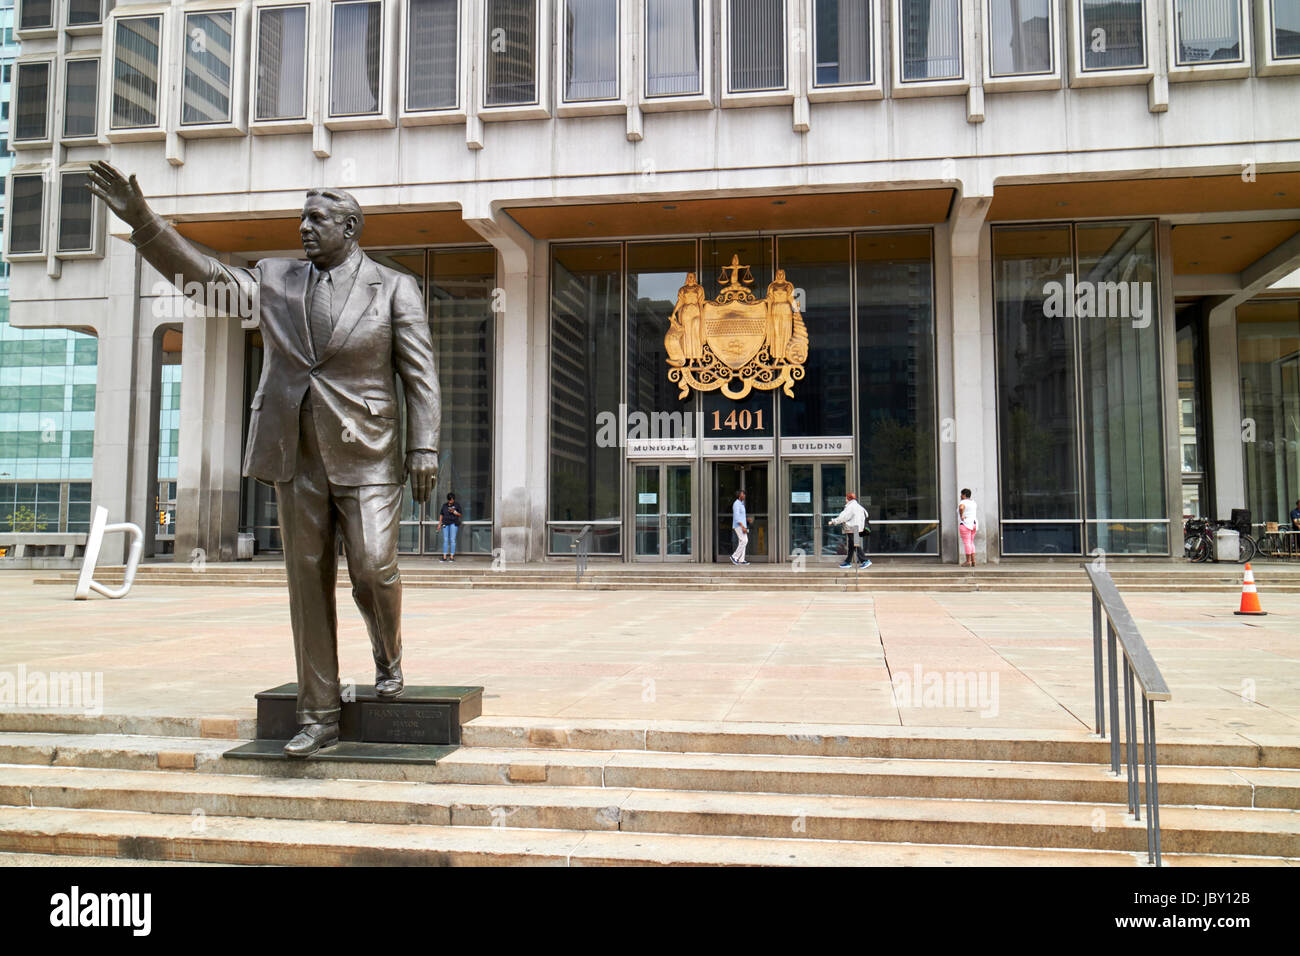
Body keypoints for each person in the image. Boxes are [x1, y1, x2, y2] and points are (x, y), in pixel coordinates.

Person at [87, 162, 441, 759]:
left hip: (370, 451)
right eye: (302, 217)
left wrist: (424, 444)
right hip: (293, 451)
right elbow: (207, 277)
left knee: (374, 569)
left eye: (318, 219)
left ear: (350, 228)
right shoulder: (275, 278)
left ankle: (388, 651)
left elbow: (419, 372)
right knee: (307, 585)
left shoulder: (395, 287)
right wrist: (144, 223)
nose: (303, 228)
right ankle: (319, 714)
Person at [828, 493, 871, 569]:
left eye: (846, 498)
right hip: (857, 528)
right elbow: (866, 514)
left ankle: (865, 560)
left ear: (849, 499)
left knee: (855, 544)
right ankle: (848, 562)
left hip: (852, 528)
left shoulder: (850, 507)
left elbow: (843, 517)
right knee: (852, 545)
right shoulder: (858, 506)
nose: (845, 500)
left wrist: (833, 521)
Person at [437, 493, 462, 562]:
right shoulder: (444, 505)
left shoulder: (457, 505)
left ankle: (451, 557)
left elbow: (460, 514)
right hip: (445, 523)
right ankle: (444, 557)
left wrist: (454, 512)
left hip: (453, 523)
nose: (451, 501)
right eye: (450, 500)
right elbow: (441, 514)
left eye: (452, 500)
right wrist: (439, 524)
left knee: (452, 539)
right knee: (445, 540)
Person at [730, 489, 751, 566]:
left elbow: (741, 516)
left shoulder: (741, 504)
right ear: (739, 495)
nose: (744, 495)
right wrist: (742, 526)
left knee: (743, 541)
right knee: (744, 541)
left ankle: (741, 560)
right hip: (738, 526)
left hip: (742, 525)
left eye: (744, 494)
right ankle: (734, 556)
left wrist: (746, 519)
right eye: (743, 494)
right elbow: (736, 517)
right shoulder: (736, 504)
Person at [959, 488, 978, 567]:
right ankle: (973, 561)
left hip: (965, 524)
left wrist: (961, 516)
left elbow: (961, 508)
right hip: (974, 524)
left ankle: (968, 561)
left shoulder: (963, 502)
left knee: (967, 543)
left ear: (964, 495)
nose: (960, 496)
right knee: (971, 542)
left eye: (961, 494)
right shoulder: (973, 502)